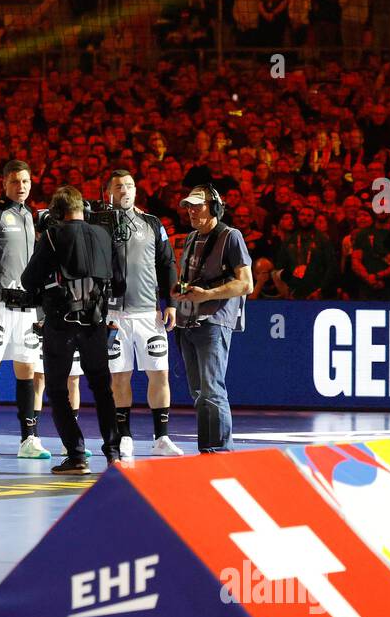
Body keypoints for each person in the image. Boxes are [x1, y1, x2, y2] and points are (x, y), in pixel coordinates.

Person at [19, 185, 124, 474]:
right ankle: (114, 453)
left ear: (56, 212)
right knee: (102, 390)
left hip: (60, 324)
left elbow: (28, 280)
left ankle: (76, 456)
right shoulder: (104, 235)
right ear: (83, 209)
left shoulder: (53, 235)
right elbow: (120, 283)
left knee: (57, 389)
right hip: (95, 324)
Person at [102, 169, 183, 460]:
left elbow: (167, 263)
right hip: (113, 315)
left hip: (149, 314)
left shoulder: (152, 223)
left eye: (129, 185)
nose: (124, 190)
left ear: (136, 190)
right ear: (108, 192)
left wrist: (170, 303)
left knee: (159, 374)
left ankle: (161, 437)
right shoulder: (99, 223)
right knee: (119, 377)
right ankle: (124, 436)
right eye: (118, 186)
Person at [171, 186, 252, 454]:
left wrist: (208, 295)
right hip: (188, 320)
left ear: (215, 207)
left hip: (213, 320)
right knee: (199, 392)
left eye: (198, 205)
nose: (191, 211)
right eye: (189, 206)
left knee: (212, 389)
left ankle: (220, 451)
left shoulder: (231, 236)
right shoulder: (192, 238)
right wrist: (180, 291)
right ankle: (208, 450)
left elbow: (246, 284)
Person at [0, 159, 51, 459]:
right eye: (14, 181)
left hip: (26, 306)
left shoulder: (31, 216)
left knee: (28, 369)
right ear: (4, 183)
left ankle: (29, 438)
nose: (20, 186)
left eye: (24, 181)